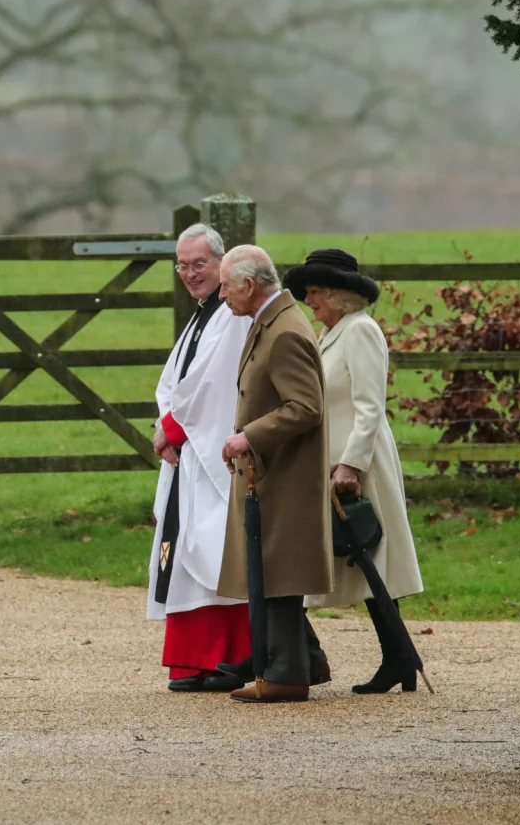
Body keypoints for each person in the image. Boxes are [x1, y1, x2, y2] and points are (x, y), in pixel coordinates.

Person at [284, 248, 425, 694]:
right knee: (363, 560)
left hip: (362, 462)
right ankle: (401, 657)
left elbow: (369, 406)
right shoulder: (334, 333)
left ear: (337, 294)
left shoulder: (361, 331)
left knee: (370, 555)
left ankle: (399, 658)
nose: (308, 300)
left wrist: (351, 463)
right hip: (338, 461)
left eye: (314, 291)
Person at [216, 244, 334, 704]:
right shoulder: (271, 321)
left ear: (247, 284)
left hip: (283, 473)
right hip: (273, 471)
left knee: (276, 568)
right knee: (269, 565)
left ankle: (286, 674)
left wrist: (250, 436)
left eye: (226, 286)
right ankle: (306, 658)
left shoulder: (283, 330)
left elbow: (306, 407)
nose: (222, 295)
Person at [147, 223, 253, 693]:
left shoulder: (232, 313)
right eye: (183, 266)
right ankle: (195, 660)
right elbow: (174, 382)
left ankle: (226, 657)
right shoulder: (201, 314)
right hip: (188, 453)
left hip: (214, 452)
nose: (190, 274)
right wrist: (162, 425)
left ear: (220, 262)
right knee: (188, 550)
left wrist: (171, 428)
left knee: (213, 551)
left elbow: (214, 384)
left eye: (200, 265)